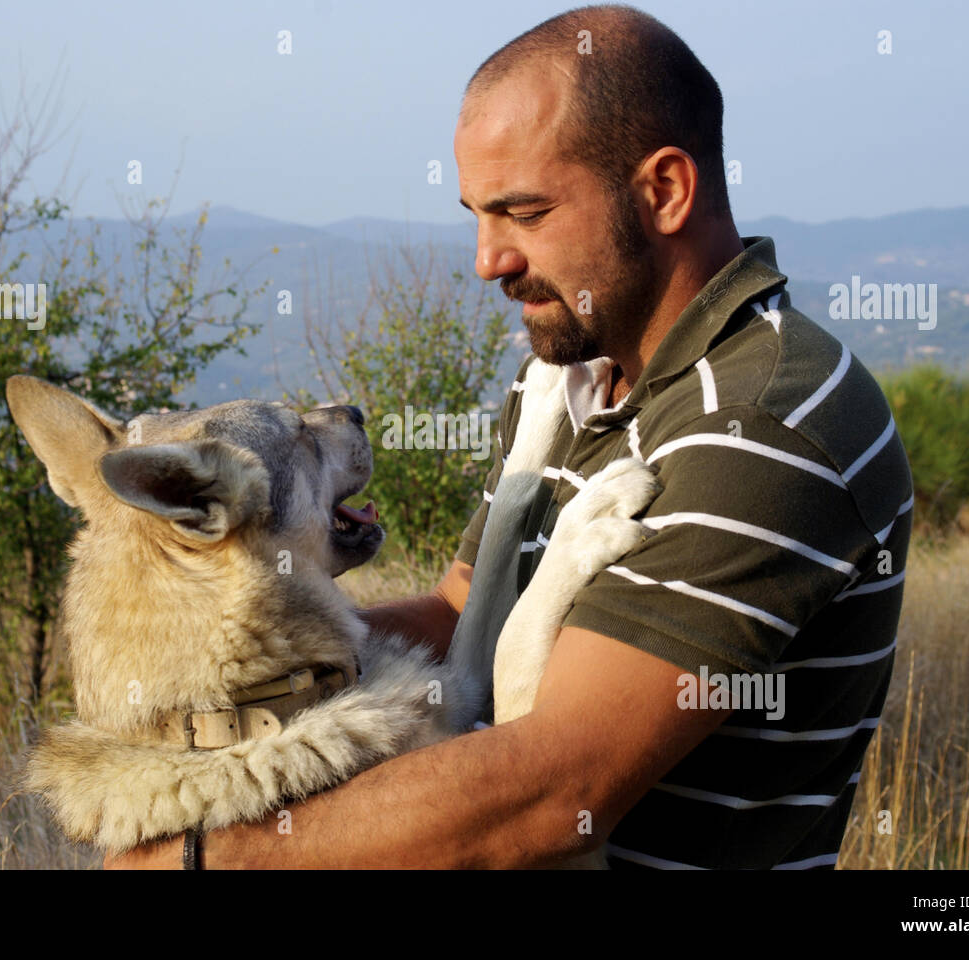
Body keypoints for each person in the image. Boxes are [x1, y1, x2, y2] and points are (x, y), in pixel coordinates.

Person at [106, 3, 912, 870]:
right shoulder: (559, 382)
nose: (488, 258)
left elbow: (556, 790)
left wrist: (207, 854)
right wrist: (242, 681)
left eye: (524, 214)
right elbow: (461, 617)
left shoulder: (761, 424)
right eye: (478, 214)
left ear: (666, 191)